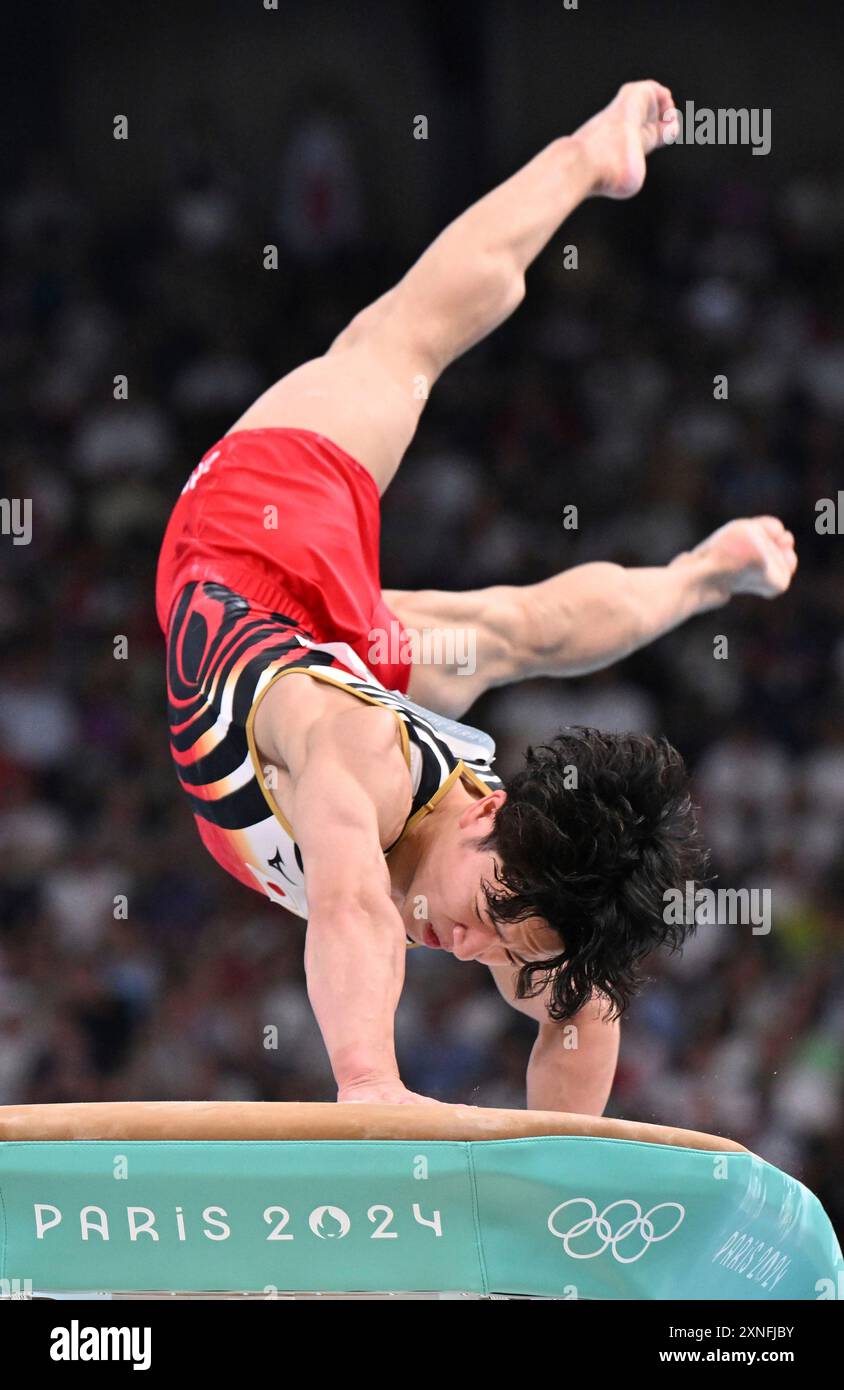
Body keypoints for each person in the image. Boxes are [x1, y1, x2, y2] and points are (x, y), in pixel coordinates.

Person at [155, 82, 797, 1112]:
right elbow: (357, 908)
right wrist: (372, 1088)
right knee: (399, 342)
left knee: (514, 629)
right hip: (247, 542)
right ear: (486, 812)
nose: (469, 947)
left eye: (507, 946)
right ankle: (589, 152)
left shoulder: (526, 908)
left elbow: (579, 1015)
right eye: (493, 916)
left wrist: (555, 1209)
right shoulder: (355, 760)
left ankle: (693, 577)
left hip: (328, 648)